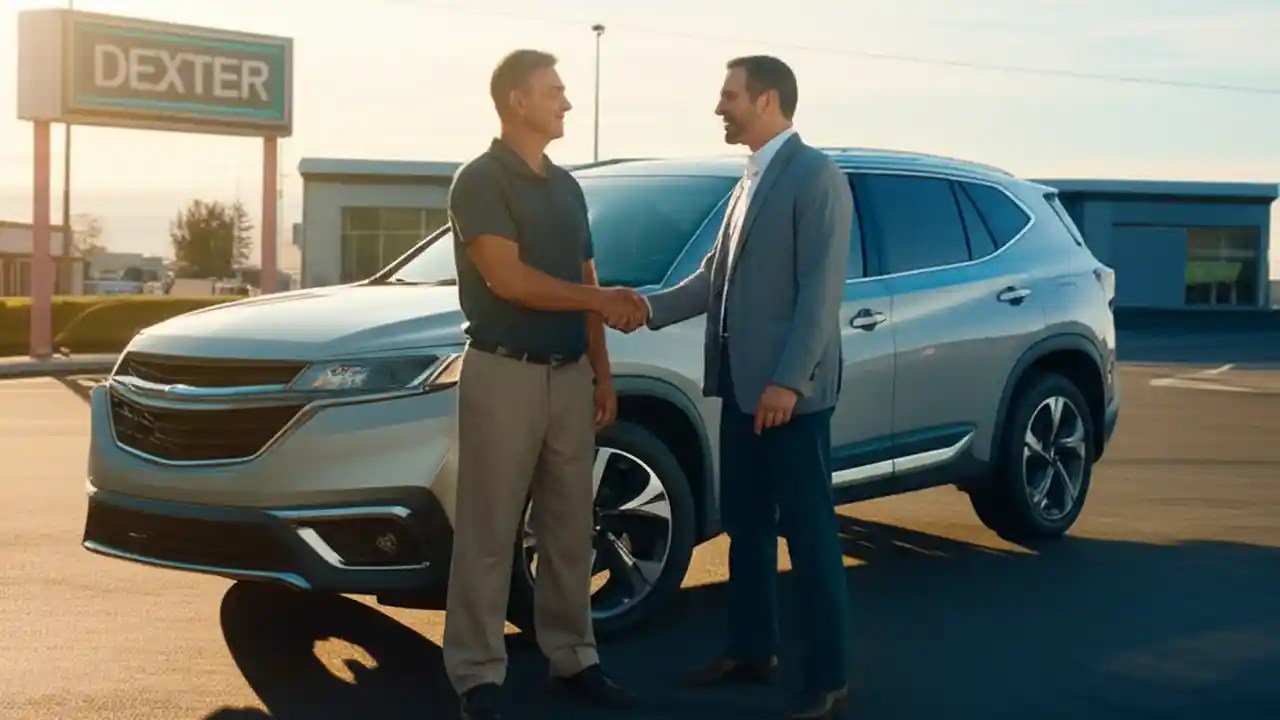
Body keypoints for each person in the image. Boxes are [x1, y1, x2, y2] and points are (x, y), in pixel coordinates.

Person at [628, 55, 852, 719]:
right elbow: (711, 280)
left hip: (789, 398)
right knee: (748, 528)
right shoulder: (748, 179)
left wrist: (789, 380)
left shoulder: (816, 177)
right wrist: (644, 308)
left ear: (768, 99)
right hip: (742, 389)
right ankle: (751, 651)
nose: (719, 107)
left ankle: (828, 677)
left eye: (729, 95)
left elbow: (820, 291)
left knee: (809, 537)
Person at [441, 48, 643, 720]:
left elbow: (585, 285)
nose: (566, 101)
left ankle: (573, 658)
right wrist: (602, 299)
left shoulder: (569, 187)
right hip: (503, 373)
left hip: (569, 377)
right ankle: (476, 675)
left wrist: (601, 373)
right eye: (553, 91)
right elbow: (510, 280)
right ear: (516, 101)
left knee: (568, 529)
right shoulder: (479, 181)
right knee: (489, 529)